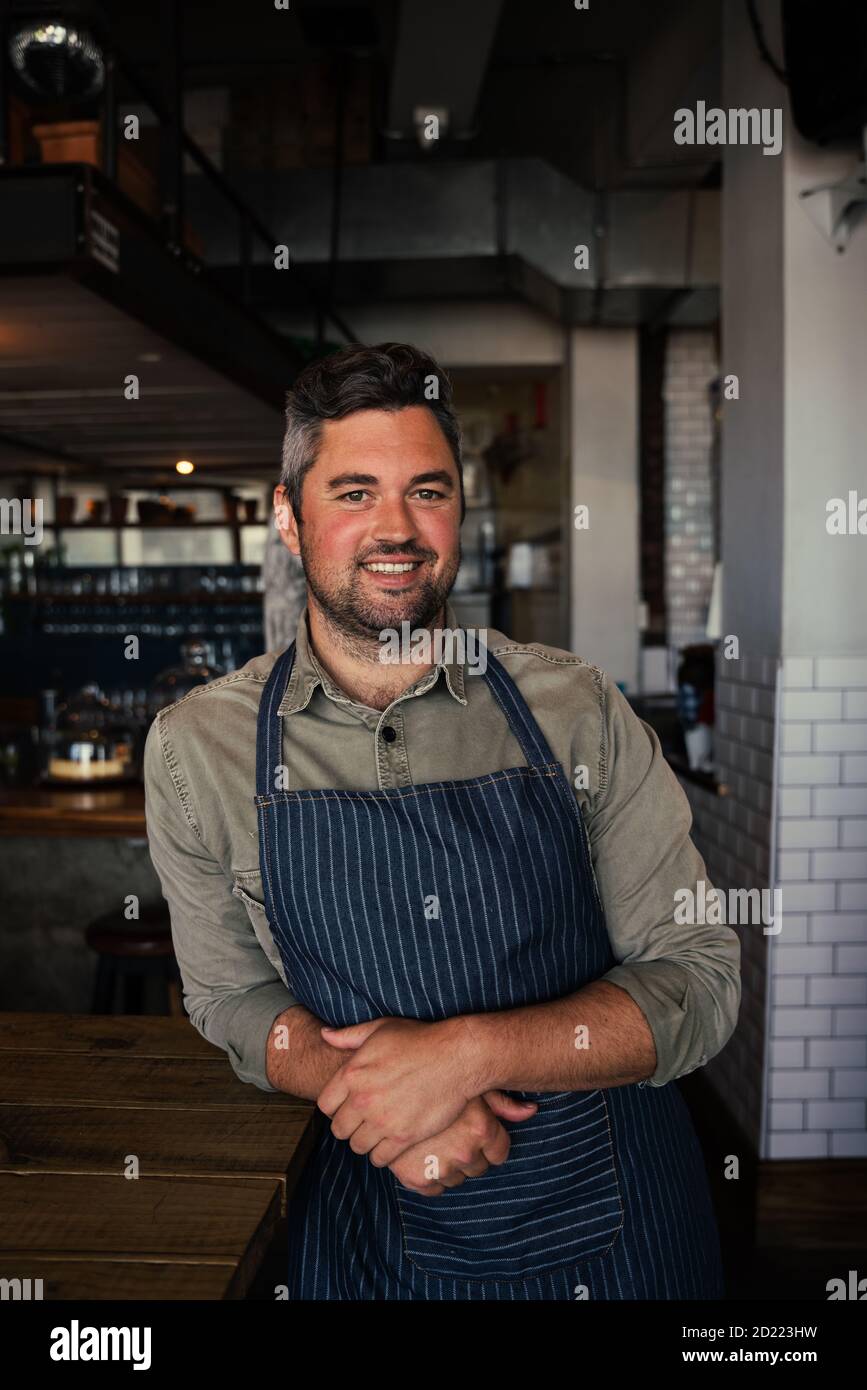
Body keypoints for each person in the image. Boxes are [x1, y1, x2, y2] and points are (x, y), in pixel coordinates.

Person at [144, 341, 740, 1301]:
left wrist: (470, 1053)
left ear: (459, 512)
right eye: (352, 494)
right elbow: (228, 998)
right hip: (367, 1212)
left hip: (612, 1224)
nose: (396, 528)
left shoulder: (575, 708)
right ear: (289, 520)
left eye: (427, 491)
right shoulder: (195, 748)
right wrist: (378, 1096)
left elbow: (700, 982)